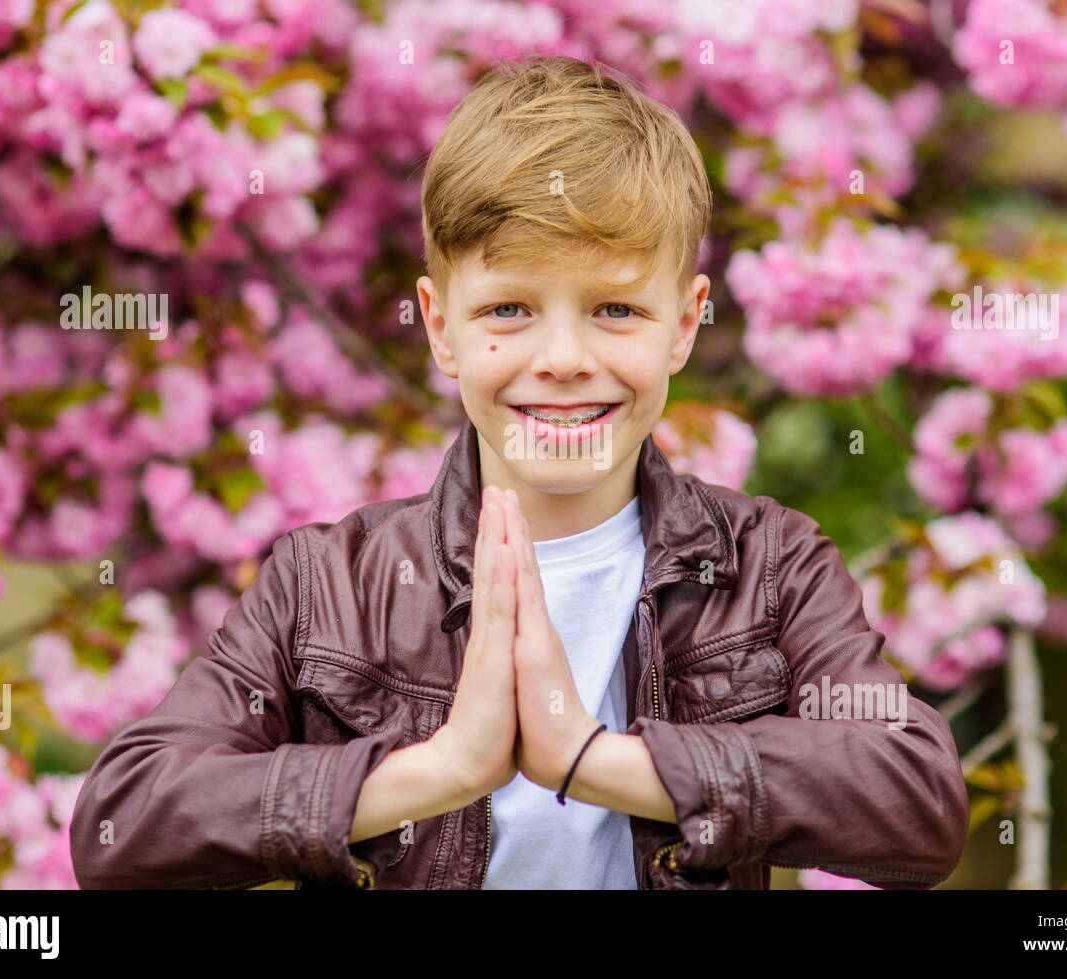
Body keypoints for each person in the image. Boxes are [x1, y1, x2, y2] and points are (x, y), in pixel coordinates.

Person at [70, 54, 969, 890]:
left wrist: (591, 758)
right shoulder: (326, 584)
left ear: (687, 323)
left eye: (616, 308)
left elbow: (917, 802)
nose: (566, 357)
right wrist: (439, 769)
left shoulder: (770, 564)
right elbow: (123, 823)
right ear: (439, 326)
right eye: (509, 308)